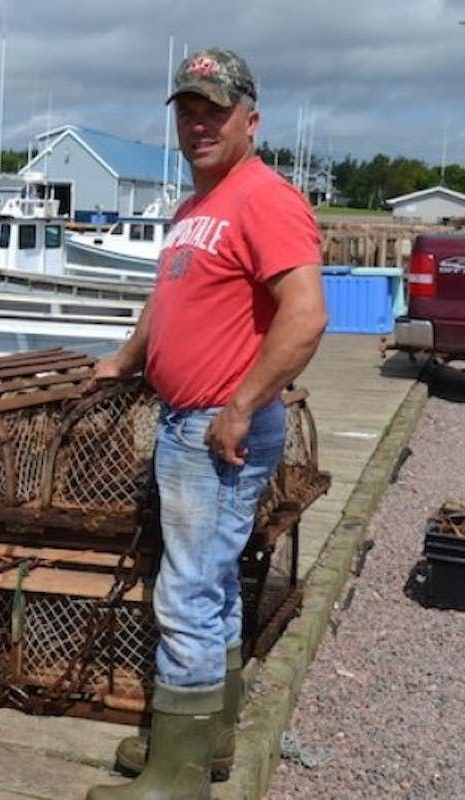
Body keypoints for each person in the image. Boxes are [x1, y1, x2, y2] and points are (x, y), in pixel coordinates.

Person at [87, 49, 327, 799]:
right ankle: (207, 741)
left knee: (186, 593)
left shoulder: (264, 198)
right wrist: (129, 355)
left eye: (214, 111)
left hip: (218, 430)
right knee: (213, 588)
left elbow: (307, 313)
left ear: (249, 120)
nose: (199, 124)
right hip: (187, 421)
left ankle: (177, 776)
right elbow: (171, 299)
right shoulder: (197, 206)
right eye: (188, 110)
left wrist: (242, 405)